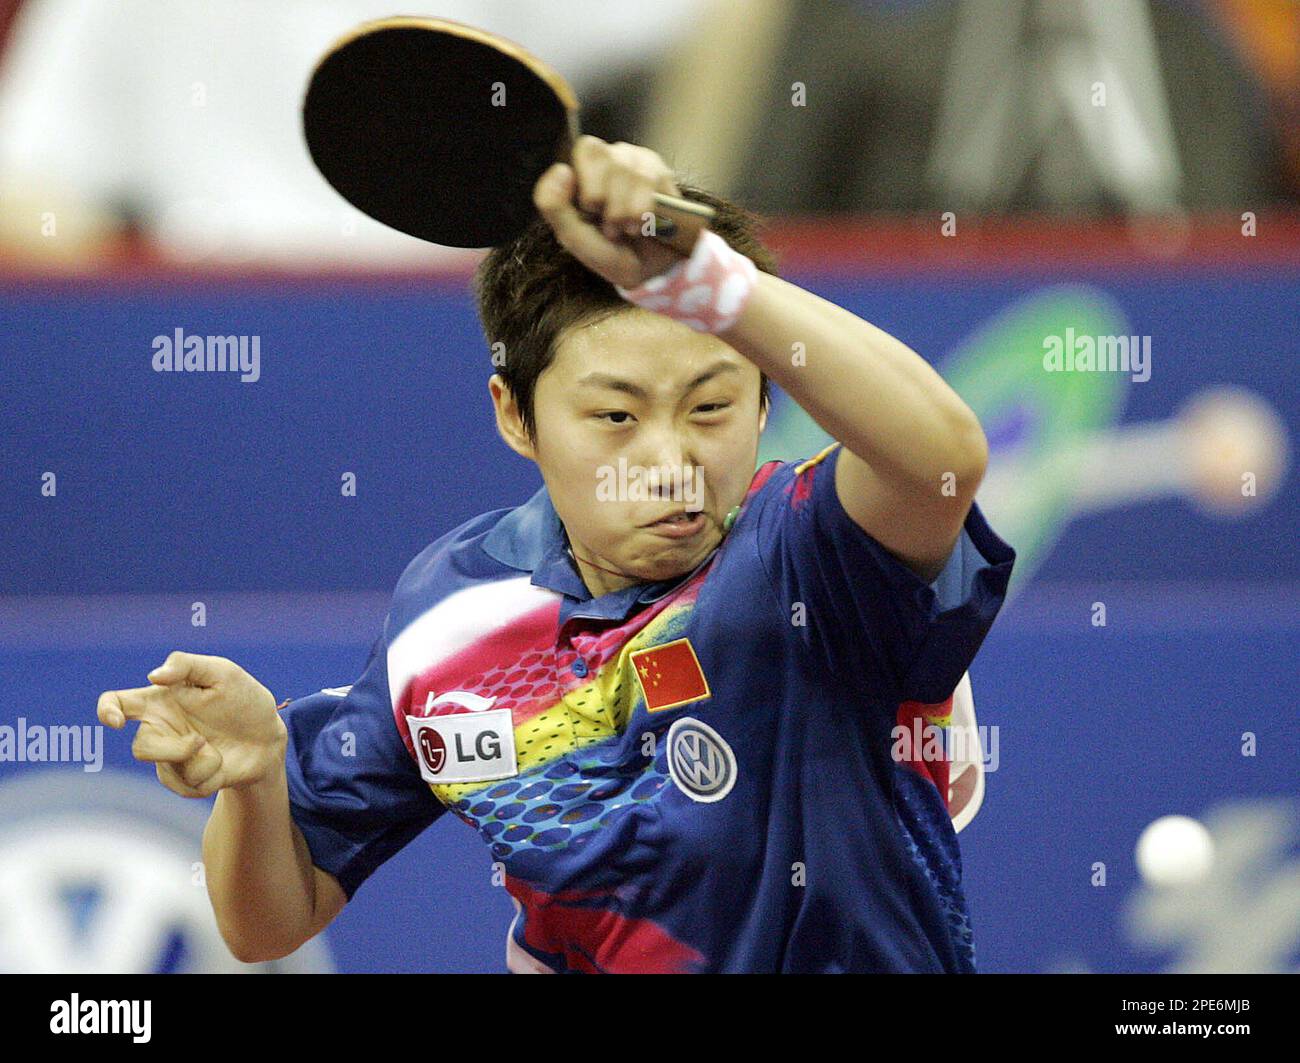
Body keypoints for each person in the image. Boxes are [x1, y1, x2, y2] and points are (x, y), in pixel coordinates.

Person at [97, 135, 1015, 973]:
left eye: (711, 408)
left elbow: (943, 457)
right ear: (515, 414)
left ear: (765, 404)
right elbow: (268, 922)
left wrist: (711, 284)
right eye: (616, 417)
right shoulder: (451, 613)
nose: (668, 463)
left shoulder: (816, 555)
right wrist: (255, 780)